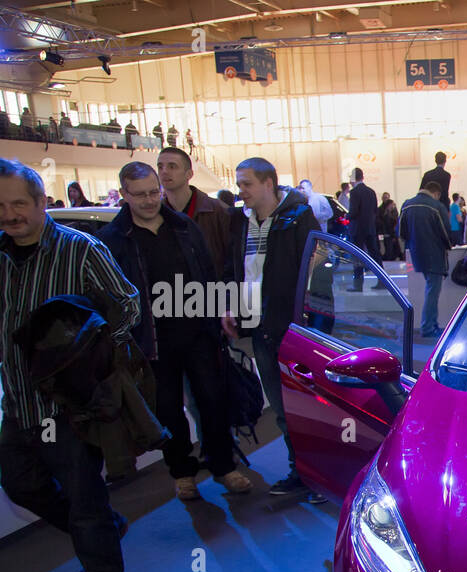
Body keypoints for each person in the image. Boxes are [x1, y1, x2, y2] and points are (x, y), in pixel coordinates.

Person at [0, 159, 141, 572]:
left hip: (70, 406)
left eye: (19, 203)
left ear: (42, 202)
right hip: (18, 401)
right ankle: (105, 527)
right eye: (1, 206)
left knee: (83, 497)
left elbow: (126, 305)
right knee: (20, 484)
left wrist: (91, 358)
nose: (10, 214)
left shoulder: (80, 250)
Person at [100, 162, 251, 502]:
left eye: (154, 192)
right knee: (168, 411)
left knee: (213, 401)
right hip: (151, 343)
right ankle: (182, 474)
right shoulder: (113, 240)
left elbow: (207, 274)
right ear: (124, 195)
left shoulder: (183, 227)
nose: (150, 200)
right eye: (140, 195)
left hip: (198, 333)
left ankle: (223, 466)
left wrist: (218, 315)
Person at [220, 157, 320, 501]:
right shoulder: (240, 222)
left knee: (306, 403)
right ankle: (301, 470)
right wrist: (231, 306)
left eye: (246, 183)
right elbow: (239, 270)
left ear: (268, 183)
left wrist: (310, 323)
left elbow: (313, 276)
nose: (241, 190)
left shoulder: (297, 218)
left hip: (293, 329)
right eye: (239, 183)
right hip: (260, 327)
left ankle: (318, 472)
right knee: (280, 406)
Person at [159, 146, 232, 279]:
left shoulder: (218, 211)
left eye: (172, 166)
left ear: (189, 174)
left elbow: (232, 260)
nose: (164, 172)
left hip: (213, 293)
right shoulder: (156, 215)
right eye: (160, 167)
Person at [399, 173, 453, 338]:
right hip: (434, 255)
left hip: (417, 254)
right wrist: (449, 245)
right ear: (436, 193)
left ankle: (431, 324)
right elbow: (446, 233)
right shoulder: (436, 207)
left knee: (430, 289)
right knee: (432, 291)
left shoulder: (407, 205)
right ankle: (428, 327)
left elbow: (401, 232)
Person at [346, 167, 380, 289]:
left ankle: (358, 285)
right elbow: (376, 210)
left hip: (357, 229)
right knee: (375, 254)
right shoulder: (371, 191)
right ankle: (382, 281)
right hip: (370, 228)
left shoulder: (354, 192)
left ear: (353, 178)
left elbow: (354, 212)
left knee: (357, 255)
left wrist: (347, 215)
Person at [378, 191, 400, 260]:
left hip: (390, 232)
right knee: (383, 245)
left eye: (386, 197)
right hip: (382, 232)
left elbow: (395, 219)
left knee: (390, 246)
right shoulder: (380, 209)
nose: (385, 199)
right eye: (384, 197)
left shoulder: (393, 209)